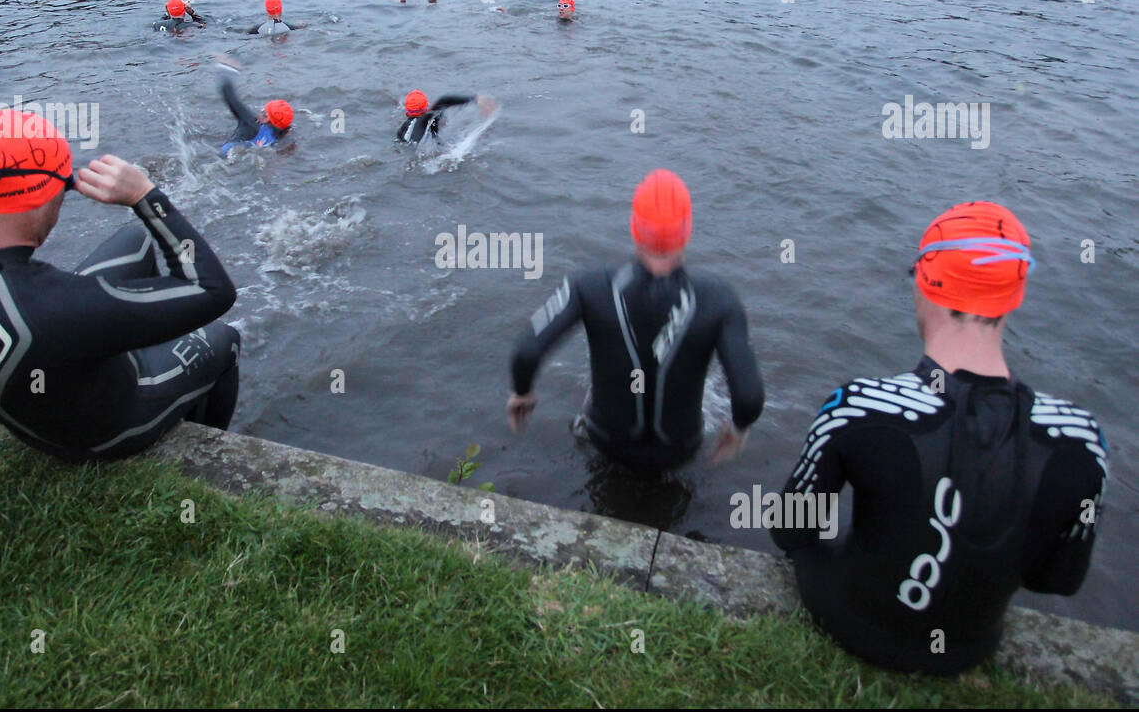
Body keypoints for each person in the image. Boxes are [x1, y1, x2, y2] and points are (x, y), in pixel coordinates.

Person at [770, 201, 1108, 675]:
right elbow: (1058, 579)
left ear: (924, 283)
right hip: (971, 647)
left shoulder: (858, 406)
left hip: (850, 621)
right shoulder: (1081, 441)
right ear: (1014, 297)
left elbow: (789, 530)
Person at [0, 110, 241, 462]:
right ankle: (203, 456)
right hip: (100, 428)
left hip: (35, 373)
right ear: (45, 197)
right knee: (225, 338)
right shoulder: (50, 308)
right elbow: (213, 290)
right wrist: (145, 196)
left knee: (136, 239)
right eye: (64, 188)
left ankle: (144, 324)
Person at [508, 170, 764, 472]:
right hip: (680, 451)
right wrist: (737, 429)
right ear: (687, 231)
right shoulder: (720, 299)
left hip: (606, 441)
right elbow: (749, 397)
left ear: (634, 228)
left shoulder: (588, 285)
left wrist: (523, 393)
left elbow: (526, 353)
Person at [217, 62, 293, 158]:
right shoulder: (280, 132)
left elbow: (231, 97)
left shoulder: (250, 123)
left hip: (227, 155)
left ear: (267, 118)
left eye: (264, 111)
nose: (261, 111)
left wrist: (226, 69)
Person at [394, 89, 493, 144]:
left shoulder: (402, 129)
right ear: (426, 107)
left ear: (407, 111)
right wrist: (476, 99)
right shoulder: (426, 119)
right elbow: (444, 100)